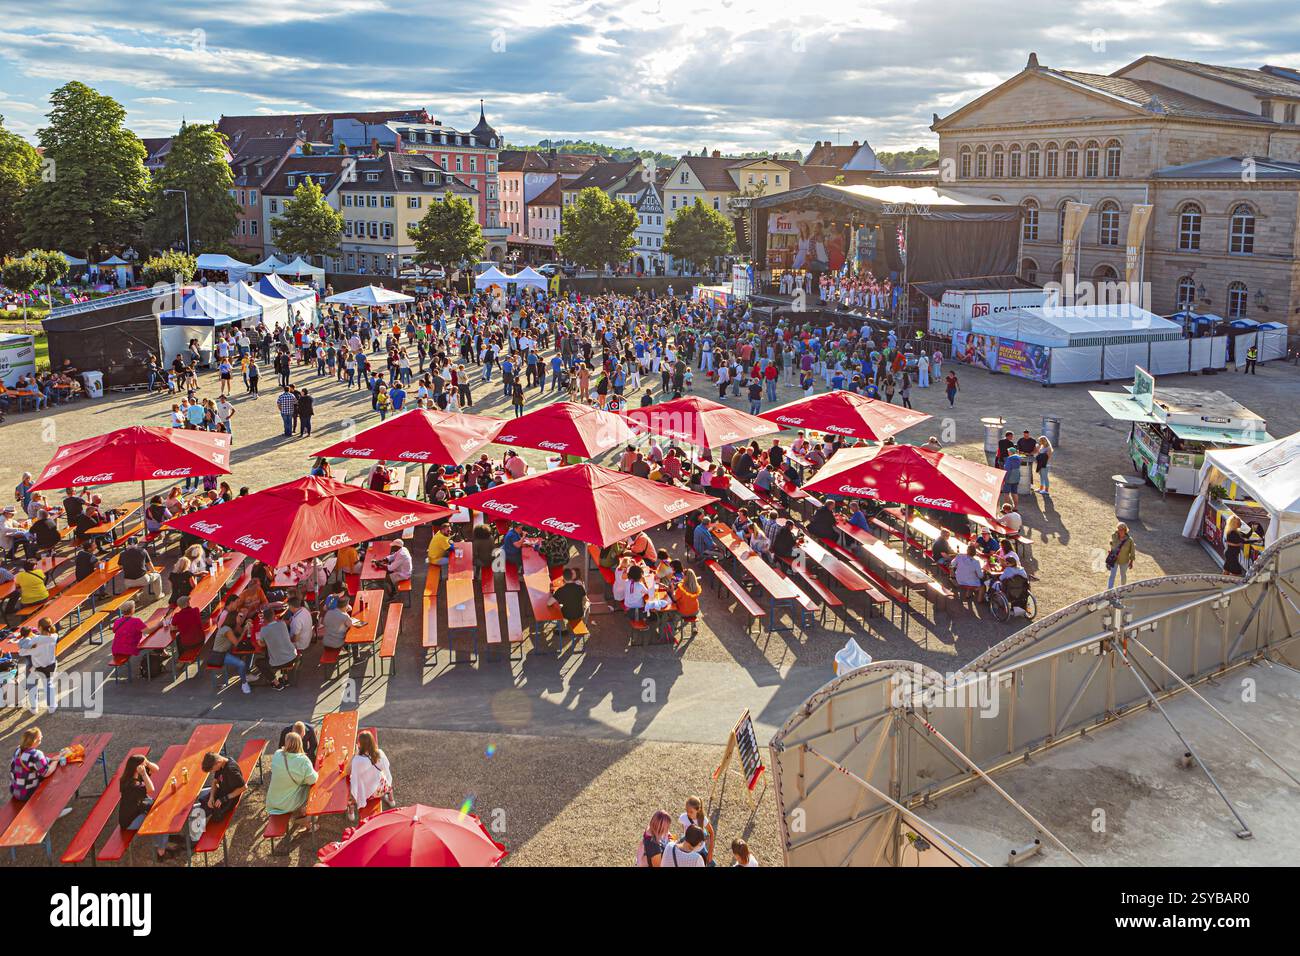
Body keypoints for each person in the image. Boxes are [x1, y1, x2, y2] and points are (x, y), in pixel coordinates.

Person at [118, 754, 172, 861]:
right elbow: (151, 789)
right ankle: (161, 851)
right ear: (137, 768)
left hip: (138, 809)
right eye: (143, 765)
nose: (145, 767)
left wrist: (146, 761)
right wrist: (143, 774)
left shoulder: (132, 775)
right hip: (130, 821)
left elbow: (156, 769)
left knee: (160, 811)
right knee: (160, 819)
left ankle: (161, 842)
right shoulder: (132, 784)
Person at [265, 731, 319, 835]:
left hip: (273, 802)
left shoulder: (277, 754)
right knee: (313, 789)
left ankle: (302, 818)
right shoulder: (303, 760)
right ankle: (306, 818)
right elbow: (313, 780)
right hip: (288, 804)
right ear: (300, 743)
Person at [188, 751, 246, 841]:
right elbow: (215, 782)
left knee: (198, 811)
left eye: (212, 769)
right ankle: (193, 832)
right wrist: (211, 797)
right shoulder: (221, 764)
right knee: (199, 799)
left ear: (217, 762)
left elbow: (243, 787)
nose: (212, 771)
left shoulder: (231, 770)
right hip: (221, 793)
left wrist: (224, 798)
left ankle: (194, 840)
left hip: (228, 800)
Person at [348, 730, 392, 817]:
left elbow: (348, 772)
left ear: (360, 745)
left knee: (350, 783)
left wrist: (354, 756)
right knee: (384, 779)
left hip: (367, 794)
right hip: (382, 789)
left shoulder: (358, 760)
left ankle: (351, 811)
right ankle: (391, 800)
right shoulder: (380, 753)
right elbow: (386, 767)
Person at [17, 619, 58, 711]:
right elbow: (51, 635)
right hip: (50, 665)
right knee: (49, 685)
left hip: (37, 667)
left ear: (39, 627)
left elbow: (21, 652)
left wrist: (30, 641)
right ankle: (52, 707)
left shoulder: (35, 640)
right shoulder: (54, 637)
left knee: (32, 685)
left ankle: (34, 708)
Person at [9, 727, 59, 801]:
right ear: (36, 740)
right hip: (27, 793)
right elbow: (46, 772)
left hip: (15, 790)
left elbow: (32, 763)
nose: (42, 737)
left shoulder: (18, 749)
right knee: (55, 779)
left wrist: (50, 759)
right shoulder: (36, 754)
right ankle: (53, 807)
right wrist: (55, 761)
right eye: (40, 736)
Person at [258, 604, 298, 690]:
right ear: (274, 616)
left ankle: (276, 683)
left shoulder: (264, 630)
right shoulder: (283, 624)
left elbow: (261, 644)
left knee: (259, 662)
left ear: (264, 619)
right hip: (293, 656)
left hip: (280, 661)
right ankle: (285, 679)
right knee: (282, 649)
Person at [119, 537, 162, 602]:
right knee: (158, 576)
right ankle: (158, 595)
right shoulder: (143, 551)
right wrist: (154, 572)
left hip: (128, 583)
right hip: (143, 580)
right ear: (137, 543)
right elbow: (150, 565)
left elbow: (120, 566)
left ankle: (135, 598)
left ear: (128, 544)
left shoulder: (122, 554)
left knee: (131, 580)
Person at [679, 796, 715, 865]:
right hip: (687, 850)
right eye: (687, 811)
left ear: (698, 810)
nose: (688, 814)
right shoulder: (683, 817)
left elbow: (711, 833)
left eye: (691, 812)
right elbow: (684, 830)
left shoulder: (703, 820)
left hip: (700, 850)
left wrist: (710, 852)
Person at [1107, 522, 1136, 588]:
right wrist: (1110, 552)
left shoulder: (1130, 540)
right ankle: (1109, 589)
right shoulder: (1114, 536)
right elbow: (1112, 544)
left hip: (1124, 561)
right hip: (1114, 559)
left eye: (1121, 529)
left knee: (1123, 575)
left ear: (1125, 530)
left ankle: (1123, 588)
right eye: (1119, 529)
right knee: (1112, 575)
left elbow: (1132, 551)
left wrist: (1131, 562)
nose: (1120, 531)